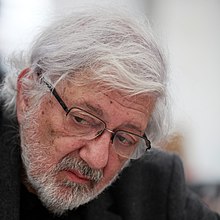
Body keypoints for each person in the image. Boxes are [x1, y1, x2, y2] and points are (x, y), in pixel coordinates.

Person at [0, 6, 219, 220]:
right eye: (81, 119)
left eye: (124, 138)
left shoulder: (156, 185)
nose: (97, 159)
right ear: (27, 95)